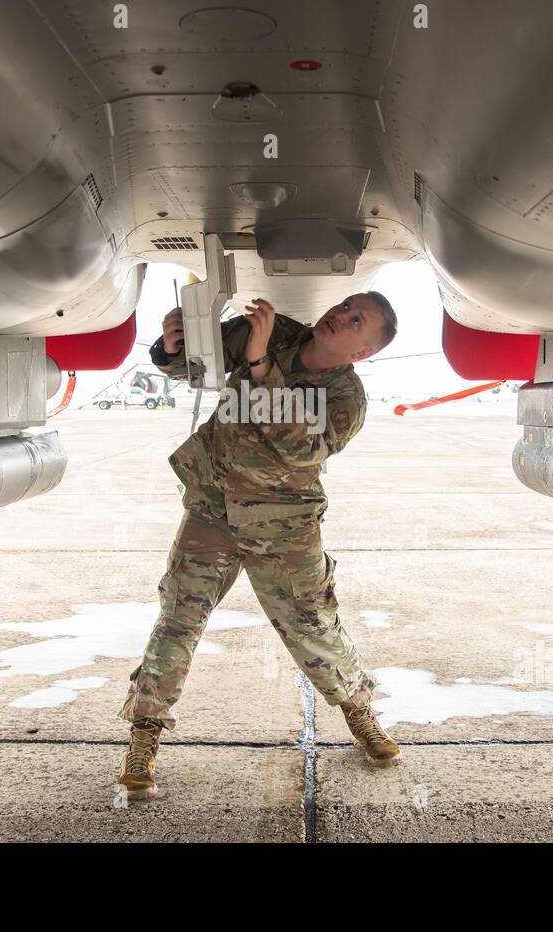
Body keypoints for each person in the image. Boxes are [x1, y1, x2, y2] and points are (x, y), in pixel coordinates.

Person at [116, 292, 400, 799]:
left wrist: (260, 365)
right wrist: (173, 347)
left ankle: (359, 712)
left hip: (284, 524)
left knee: (312, 625)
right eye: (344, 306)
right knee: (178, 620)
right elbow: (196, 369)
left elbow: (301, 449)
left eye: (355, 320)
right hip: (214, 509)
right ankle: (144, 735)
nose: (339, 315)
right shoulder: (275, 330)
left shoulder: (346, 398)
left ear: (363, 352)